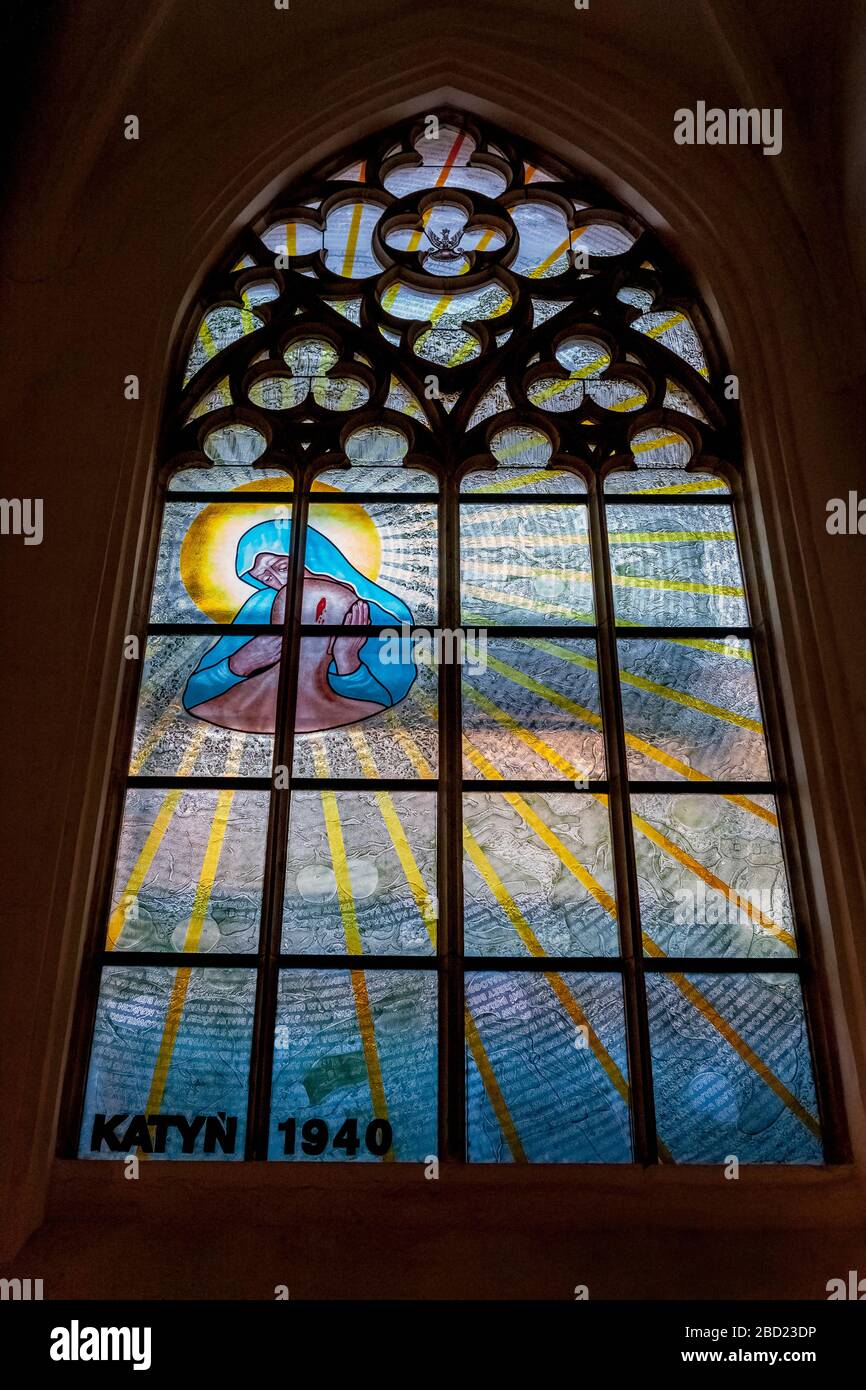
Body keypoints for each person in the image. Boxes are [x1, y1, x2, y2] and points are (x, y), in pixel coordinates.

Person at [182, 517, 415, 734]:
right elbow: (195, 694)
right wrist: (238, 664)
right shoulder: (261, 605)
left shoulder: (384, 616)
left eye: (281, 567)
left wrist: (348, 663)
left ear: (310, 557)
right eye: (265, 578)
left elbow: (387, 703)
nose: (278, 581)